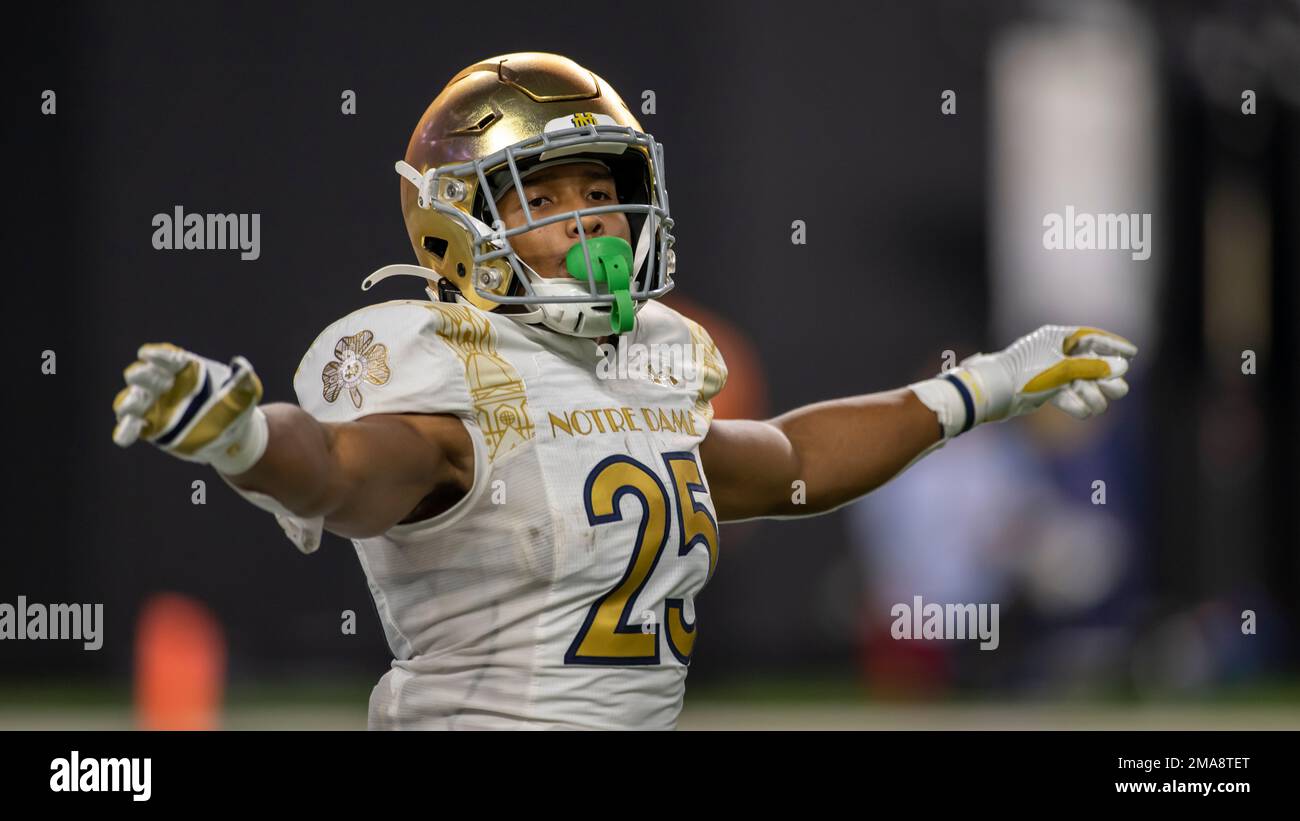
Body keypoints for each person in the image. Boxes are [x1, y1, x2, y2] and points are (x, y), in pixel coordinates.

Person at [110, 52, 1137, 729]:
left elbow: (792, 462)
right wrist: (243, 440)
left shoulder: (646, 361)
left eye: (601, 191)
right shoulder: (444, 361)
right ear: (455, 224)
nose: (592, 219)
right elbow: (342, 470)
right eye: (544, 196)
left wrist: (988, 384)